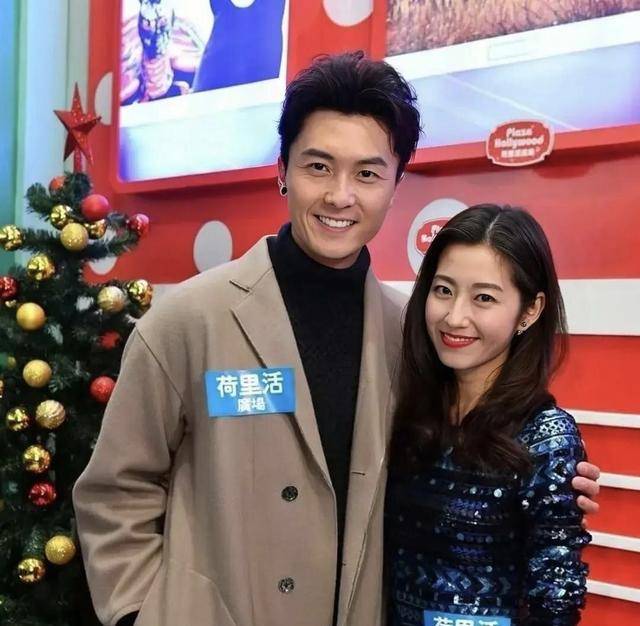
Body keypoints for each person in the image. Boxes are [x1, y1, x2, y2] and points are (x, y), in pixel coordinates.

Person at [73, 53, 599, 626]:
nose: (340, 195)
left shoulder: (410, 333)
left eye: (367, 174)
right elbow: (116, 491)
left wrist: (552, 484)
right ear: (282, 169)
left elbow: (461, 456)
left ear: (396, 184)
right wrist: (141, 614)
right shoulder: (189, 321)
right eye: (318, 166)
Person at [386, 204, 591, 625]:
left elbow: (555, 602)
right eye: (443, 290)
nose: (454, 316)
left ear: (530, 310)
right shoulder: (404, 408)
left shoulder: (545, 436)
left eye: (484, 298)